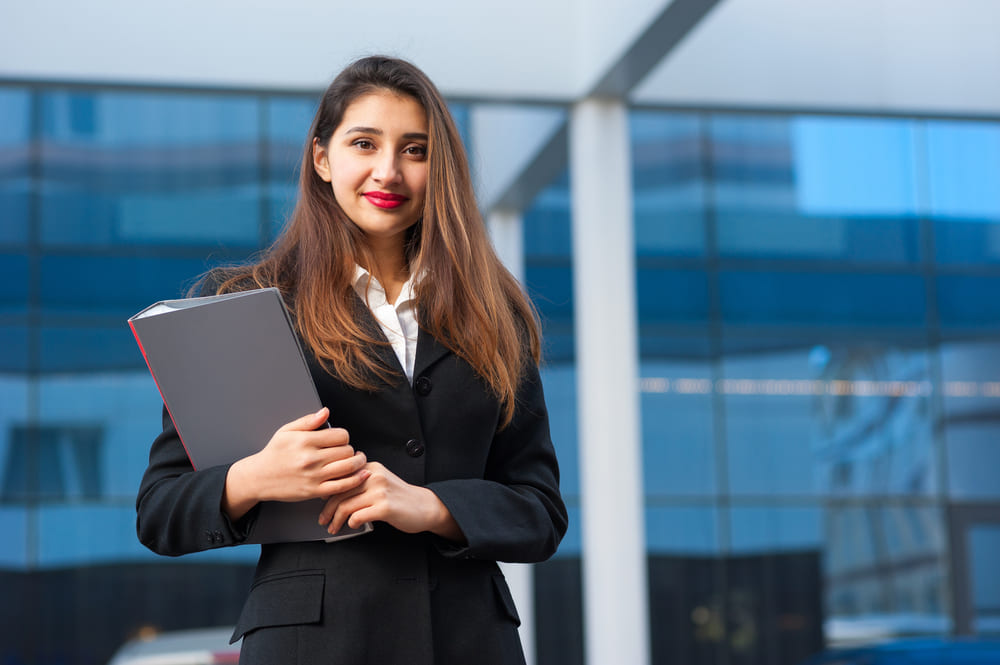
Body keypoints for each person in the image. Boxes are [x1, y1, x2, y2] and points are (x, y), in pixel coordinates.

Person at [135, 55, 567, 665]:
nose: (387, 171)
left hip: (470, 641)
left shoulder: (493, 314)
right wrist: (255, 478)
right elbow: (160, 511)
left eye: (415, 150)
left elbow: (541, 512)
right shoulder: (243, 306)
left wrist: (435, 506)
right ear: (322, 158)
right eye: (364, 143)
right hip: (315, 643)